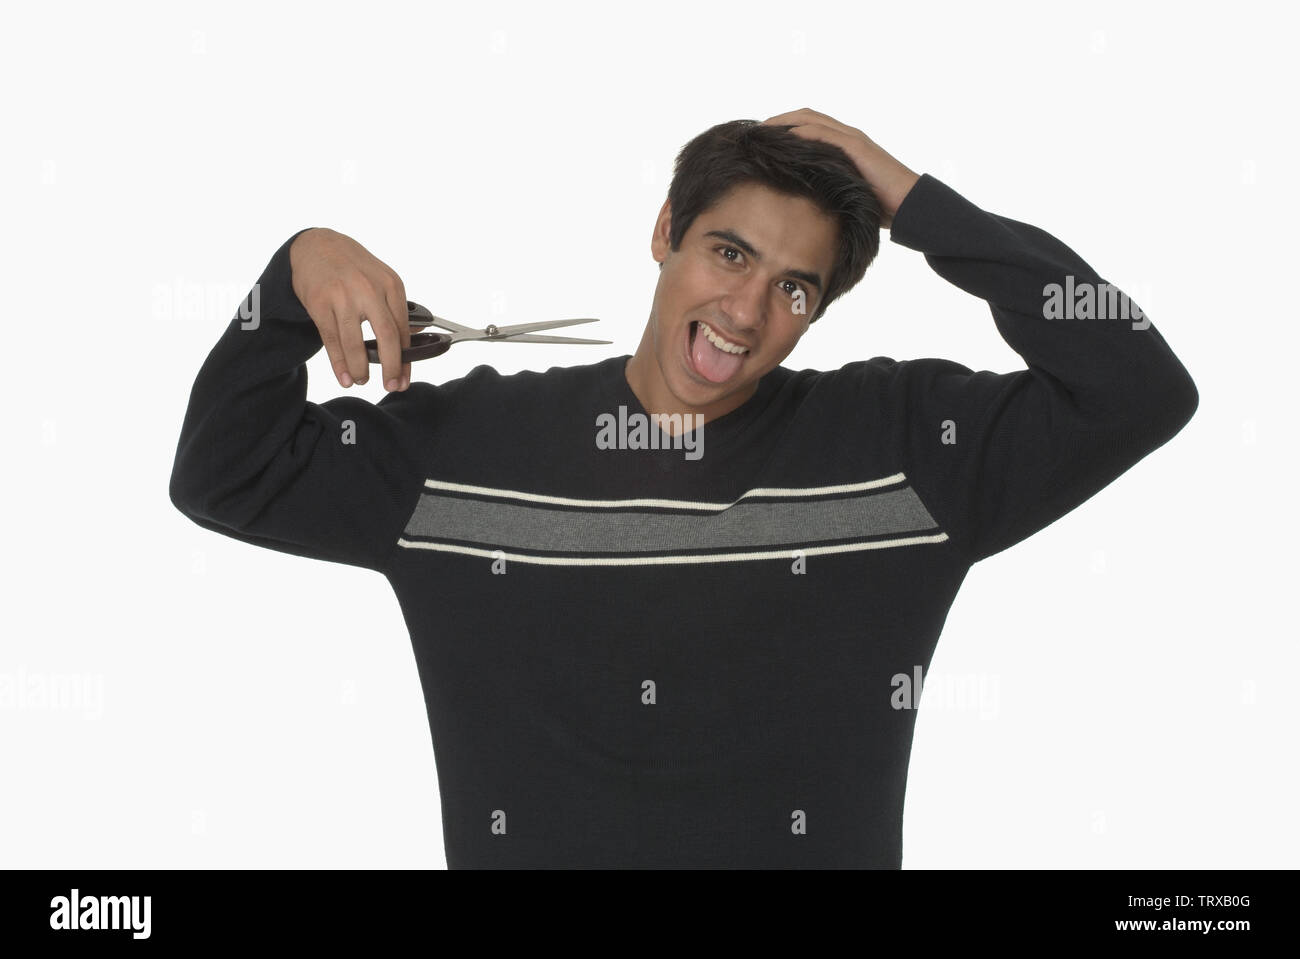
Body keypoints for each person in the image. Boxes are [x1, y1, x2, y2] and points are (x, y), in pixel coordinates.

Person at [169, 108, 1198, 868]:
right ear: (665, 230)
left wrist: (910, 198)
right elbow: (222, 473)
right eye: (728, 251)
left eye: (795, 286)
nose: (747, 309)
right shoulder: (459, 450)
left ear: (818, 310)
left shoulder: (907, 451)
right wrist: (293, 279)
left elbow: (1139, 388)